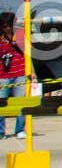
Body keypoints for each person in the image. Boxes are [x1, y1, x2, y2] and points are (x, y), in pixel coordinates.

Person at [0, 12, 26, 140]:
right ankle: (1, 131)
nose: (7, 29)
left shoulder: (20, 34)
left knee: (21, 103)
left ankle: (20, 129)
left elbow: (28, 52)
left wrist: (31, 71)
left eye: (9, 26)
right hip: (3, 75)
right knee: (1, 103)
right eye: (4, 26)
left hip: (20, 73)